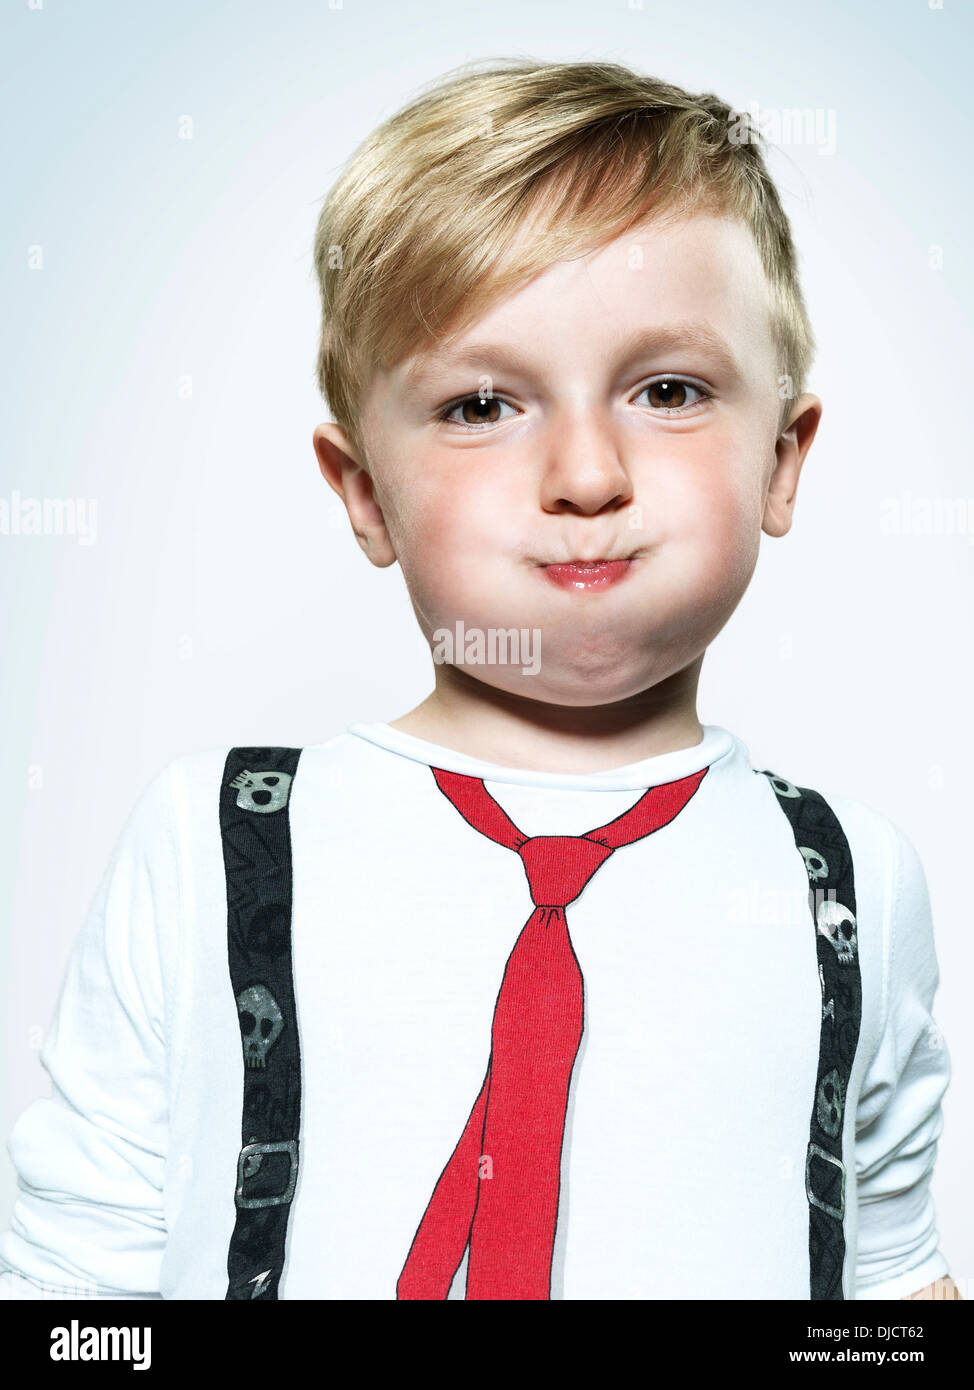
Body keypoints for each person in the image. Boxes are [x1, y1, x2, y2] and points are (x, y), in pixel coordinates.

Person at [0, 58, 960, 1301]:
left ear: (782, 459)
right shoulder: (209, 844)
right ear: (363, 492)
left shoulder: (850, 873)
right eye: (479, 404)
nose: (583, 471)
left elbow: (889, 1280)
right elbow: (73, 1283)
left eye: (666, 390)